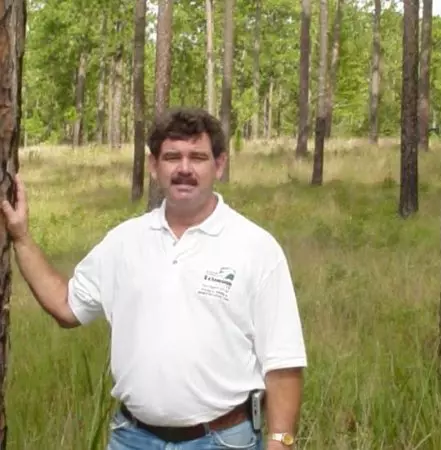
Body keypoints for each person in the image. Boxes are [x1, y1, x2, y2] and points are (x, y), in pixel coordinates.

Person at [2, 107, 308, 450]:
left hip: (223, 440)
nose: (184, 169)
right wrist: (21, 238)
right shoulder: (124, 242)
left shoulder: (256, 248)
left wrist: (281, 441)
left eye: (198, 157)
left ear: (219, 165)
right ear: (153, 166)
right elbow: (65, 305)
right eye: (172, 157)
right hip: (132, 438)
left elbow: (283, 363)